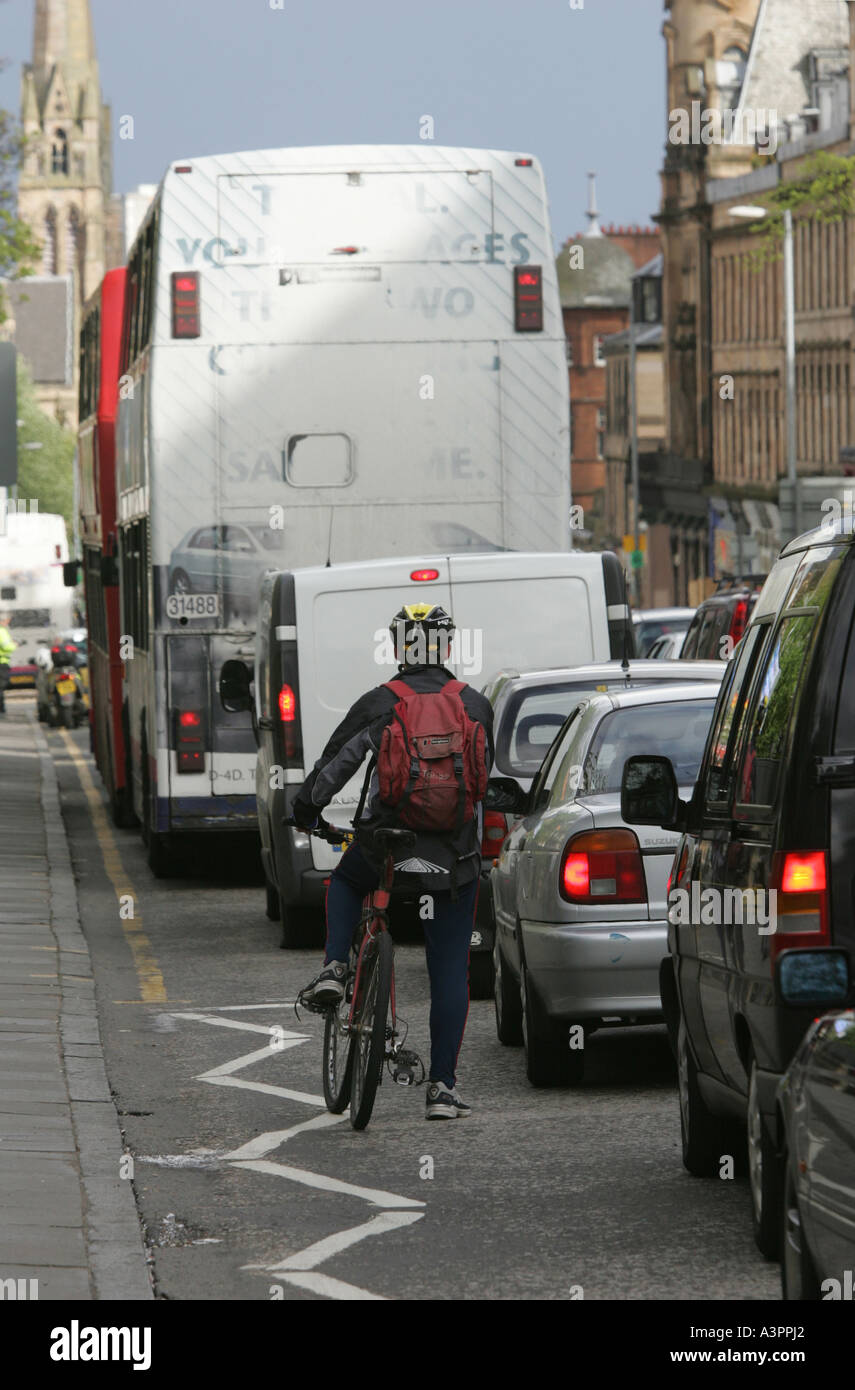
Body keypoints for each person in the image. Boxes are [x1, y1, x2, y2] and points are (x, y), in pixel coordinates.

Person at [292, 603, 494, 1121]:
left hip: (388, 848)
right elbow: (480, 785)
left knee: (344, 881)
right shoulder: (475, 705)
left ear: (400, 647)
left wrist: (306, 810)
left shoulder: (380, 703)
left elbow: (333, 768)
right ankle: (443, 1090)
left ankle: (337, 966)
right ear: (448, 647)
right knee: (450, 971)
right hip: (453, 857)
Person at [0, 614, 16, 715]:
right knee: (1, 686)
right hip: (2, 663)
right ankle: (1, 708)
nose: (8, 622)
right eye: (7, 620)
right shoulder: (1, 631)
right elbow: (6, 647)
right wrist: (15, 645)